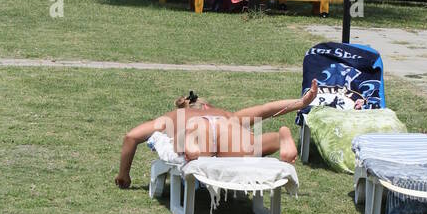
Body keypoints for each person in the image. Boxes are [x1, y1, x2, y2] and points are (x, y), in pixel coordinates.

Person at [115, 82, 319, 188]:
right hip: (225, 129)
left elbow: (131, 136)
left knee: (190, 144)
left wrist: (124, 174)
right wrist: (300, 103)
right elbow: (265, 109)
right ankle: (279, 136)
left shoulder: (174, 116)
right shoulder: (226, 114)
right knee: (252, 147)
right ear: (206, 105)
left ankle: (191, 146)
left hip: (196, 129)